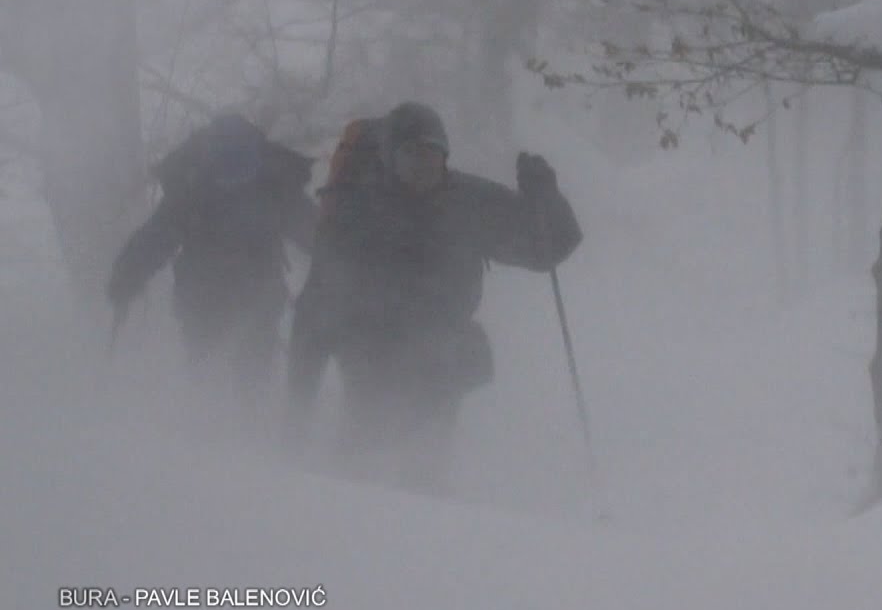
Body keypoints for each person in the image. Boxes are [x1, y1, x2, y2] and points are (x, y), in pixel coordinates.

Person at [285, 101, 583, 484]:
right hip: (369, 349)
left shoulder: (467, 202)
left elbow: (549, 248)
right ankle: (357, 506)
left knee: (425, 459)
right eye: (411, 155)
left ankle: (424, 512)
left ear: (445, 156)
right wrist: (297, 408)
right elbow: (316, 309)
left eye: (433, 155)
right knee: (364, 453)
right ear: (390, 158)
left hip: (442, 354)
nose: (423, 167)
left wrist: (545, 198)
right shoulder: (356, 210)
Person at [106, 112, 319, 422]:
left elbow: (155, 238)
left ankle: (230, 436)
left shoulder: (267, 190)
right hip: (214, 299)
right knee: (219, 371)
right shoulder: (197, 191)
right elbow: (155, 238)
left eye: (242, 165)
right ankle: (220, 435)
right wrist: (126, 276)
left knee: (239, 372)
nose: (235, 177)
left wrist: (126, 275)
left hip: (235, 298)